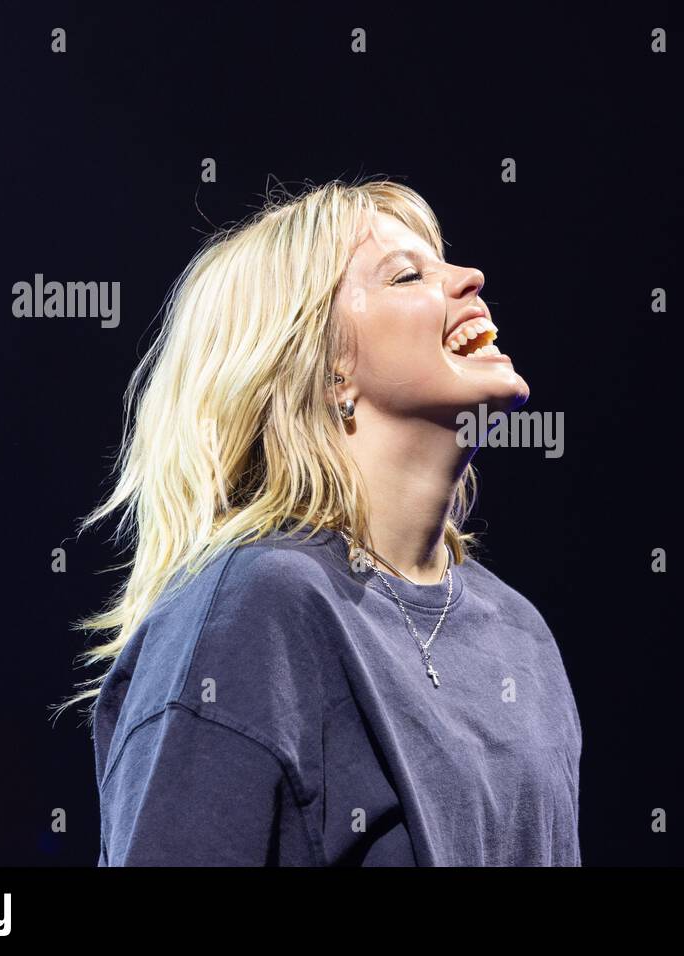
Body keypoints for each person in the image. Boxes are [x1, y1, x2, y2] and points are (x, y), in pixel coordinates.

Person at [54, 177, 582, 866]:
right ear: (330, 368)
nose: (470, 278)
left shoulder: (520, 635)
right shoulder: (258, 608)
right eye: (407, 275)